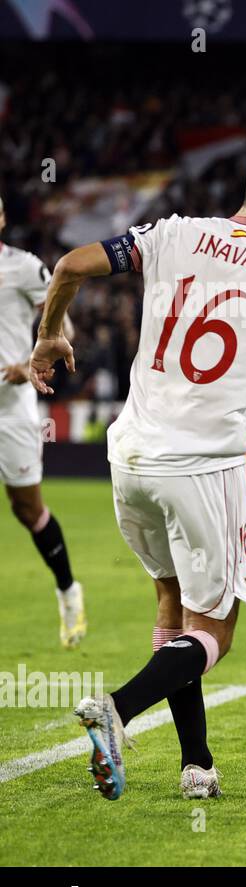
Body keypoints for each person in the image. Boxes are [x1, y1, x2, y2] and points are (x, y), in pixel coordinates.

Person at [29, 149, 246, 799]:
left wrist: (51, 335)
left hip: (129, 459)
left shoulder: (172, 232)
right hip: (202, 465)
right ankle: (114, 709)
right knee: (214, 630)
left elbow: (70, 266)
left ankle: (196, 765)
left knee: (173, 607)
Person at [0, 193, 86, 647]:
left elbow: (63, 328)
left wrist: (25, 361)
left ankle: (69, 589)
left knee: (26, 508)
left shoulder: (24, 268)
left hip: (11, 409)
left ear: (1, 217)